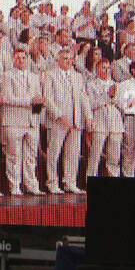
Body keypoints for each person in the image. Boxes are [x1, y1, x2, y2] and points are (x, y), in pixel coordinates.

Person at [41, 47, 93, 195]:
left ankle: (70, 182)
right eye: (65, 58)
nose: (68, 61)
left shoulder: (78, 76)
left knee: (73, 153)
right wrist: (59, 115)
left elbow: (84, 97)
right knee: (54, 152)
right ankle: (52, 182)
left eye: (70, 59)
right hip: (58, 120)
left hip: (76, 119)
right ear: (57, 60)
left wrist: (88, 116)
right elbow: (47, 98)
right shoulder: (50, 75)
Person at [0, 48, 44, 196]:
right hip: (14, 120)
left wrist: (38, 104)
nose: (21, 60)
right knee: (14, 155)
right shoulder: (6, 76)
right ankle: (14, 186)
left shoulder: (34, 77)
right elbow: (7, 98)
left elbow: (38, 97)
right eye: (18, 58)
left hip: (31, 120)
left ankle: (31, 184)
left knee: (31, 156)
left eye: (24, 58)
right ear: (13, 59)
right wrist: (29, 101)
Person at [85, 60, 123, 179]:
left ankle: (113, 177)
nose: (106, 71)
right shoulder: (91, 84)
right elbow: (91, 104)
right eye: (103, 68)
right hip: (99, 121)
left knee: (114, 154)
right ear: (97, 69)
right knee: (95, 154)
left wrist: (114, 97)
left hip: (115, 122)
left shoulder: (116, 84)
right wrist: (107, 96)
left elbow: (122, 104)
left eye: (108, 68)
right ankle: (90, 179)